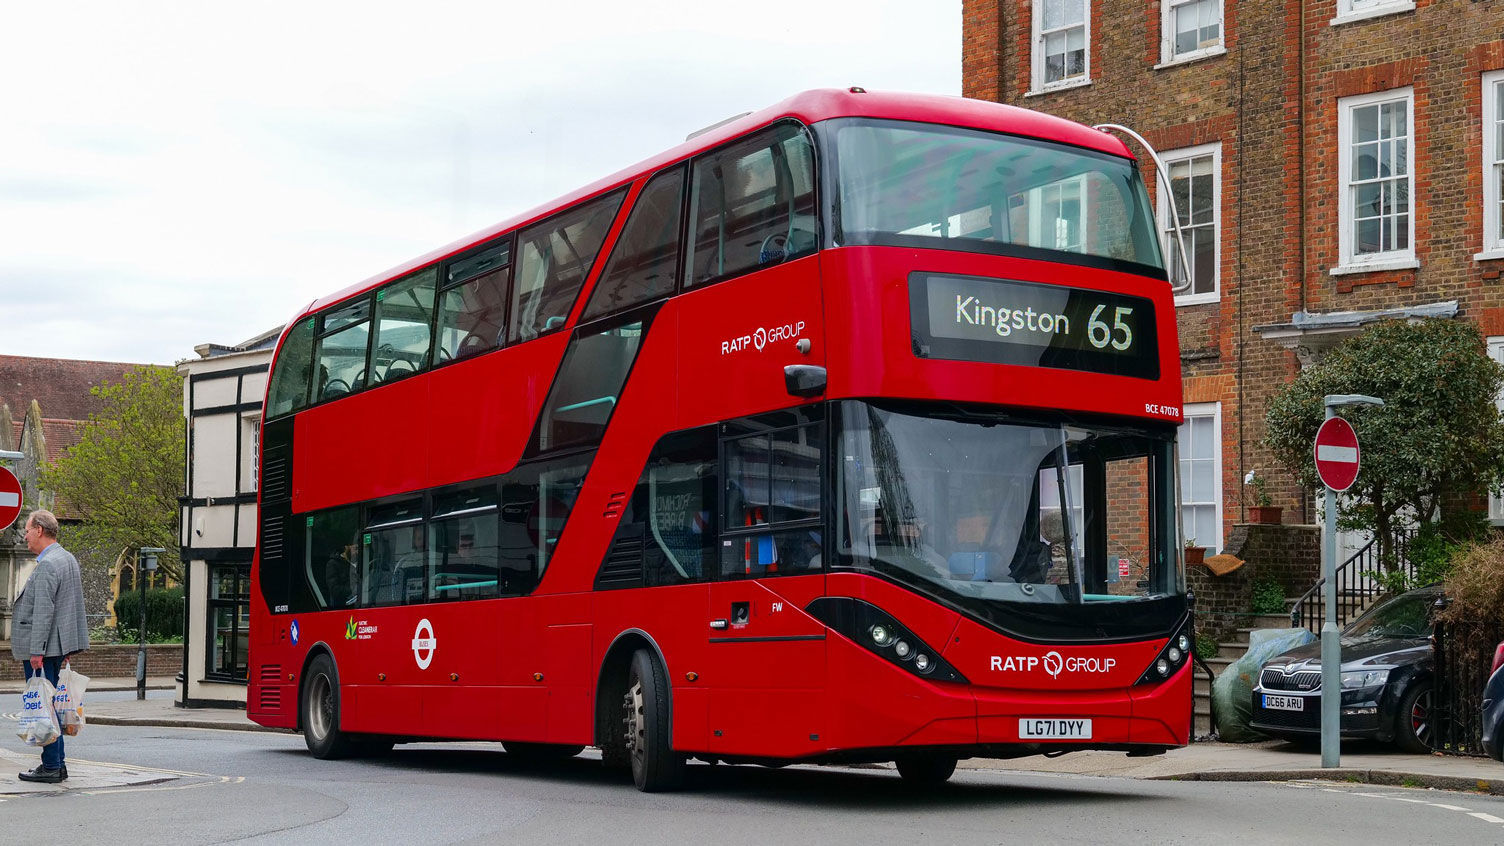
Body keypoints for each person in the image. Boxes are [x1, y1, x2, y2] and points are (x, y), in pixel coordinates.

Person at [12, 510, 88, 783]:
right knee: (51, 705)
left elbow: (44, 612)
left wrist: (36, 652)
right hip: (57, 646)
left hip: (43, 650)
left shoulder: (47, 565)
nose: (26, 536)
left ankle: (52, 765)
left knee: (44, 708)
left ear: (40, 531)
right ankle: (59, 764)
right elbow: (68, 609)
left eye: (28, 530)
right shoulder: (66, 558)